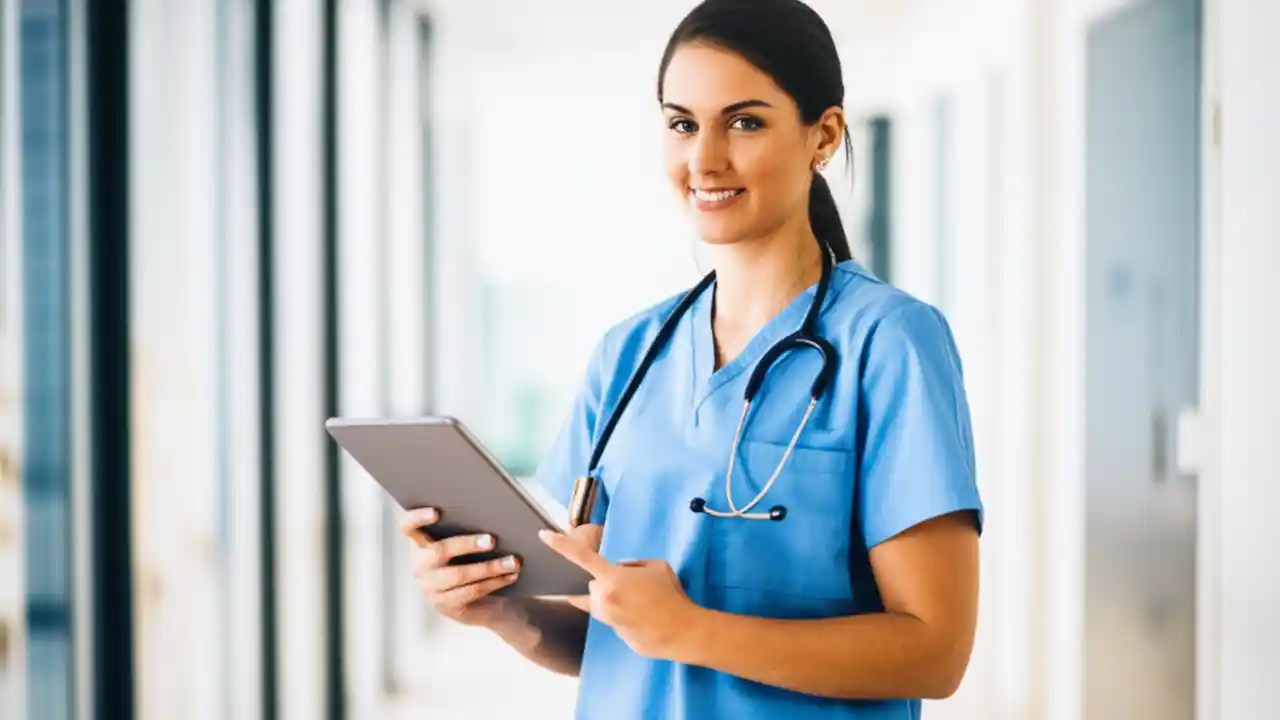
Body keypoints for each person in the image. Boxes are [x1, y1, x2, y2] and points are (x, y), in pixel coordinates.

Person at [399, 0, 983, 716]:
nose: (704, 159)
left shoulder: (889, 343)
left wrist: (692, 630)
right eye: (682, 123)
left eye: (744, 121)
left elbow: (935, 650)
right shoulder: (629, 354)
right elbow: (604, 638)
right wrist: (495, 610)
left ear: (823, 135)